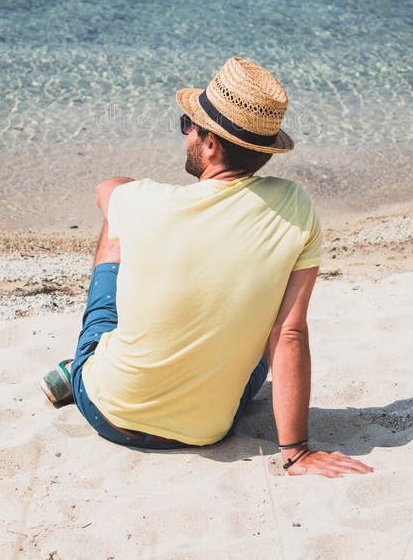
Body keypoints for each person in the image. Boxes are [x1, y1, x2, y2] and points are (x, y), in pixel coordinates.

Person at [41, 57, 372, 478]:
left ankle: (78, 368)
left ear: (211, 144)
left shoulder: (144, 202)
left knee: (110, 277)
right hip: (208, 430)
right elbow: (288, 333)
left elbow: (107, 189)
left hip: (108, 412)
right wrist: (296, 452)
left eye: (188, 125)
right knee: (261, 351)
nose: (186, 134)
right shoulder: (296, 207)